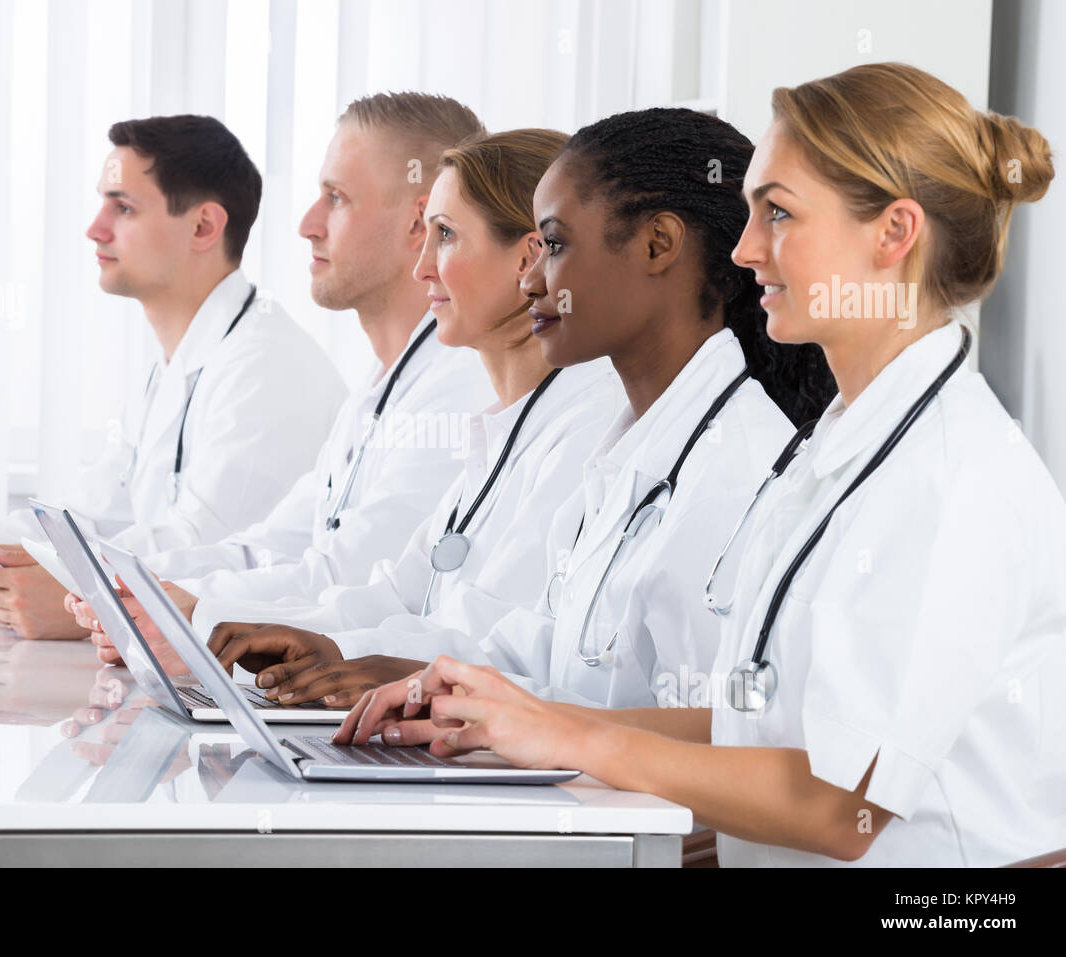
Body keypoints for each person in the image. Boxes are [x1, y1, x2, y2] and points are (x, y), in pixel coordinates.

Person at [338, 63, 1066, 868]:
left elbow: (838, 805)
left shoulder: (954, 475)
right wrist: (505, 714)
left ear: (893, 234)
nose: (747, 247)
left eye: (778, 214)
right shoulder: (836, 450)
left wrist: (561, 731)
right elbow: (752, 725)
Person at [199, 108, 836, 709]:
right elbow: (545, 649)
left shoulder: (734, 467)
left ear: (656, 245)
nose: (533, 281)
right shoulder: (630, 452)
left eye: (554, 247)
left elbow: (708, 743)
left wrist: (464, 696)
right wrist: (378, 662)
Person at [75, 130, 625, 693]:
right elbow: (393, 593)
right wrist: (213, 621)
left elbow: (492, 644)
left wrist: (211, 622)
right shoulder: (494, 421)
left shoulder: (580, 424)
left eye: (447, 237)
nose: (423, 269)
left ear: (528, 260)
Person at [0, 115, 345, 636]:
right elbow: (91, 513)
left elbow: (206, 546)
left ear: (203, 227)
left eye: (122, 207)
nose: (95, 228)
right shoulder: (175, 362)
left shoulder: (268, 368)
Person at [125, 93, 495, 610]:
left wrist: (182, 606)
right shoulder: (376, 390)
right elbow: (272, 548)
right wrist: (124, 585)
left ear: (420, 223)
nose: (308, 223)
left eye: (336, 197)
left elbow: (350, 575)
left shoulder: (462, 388)